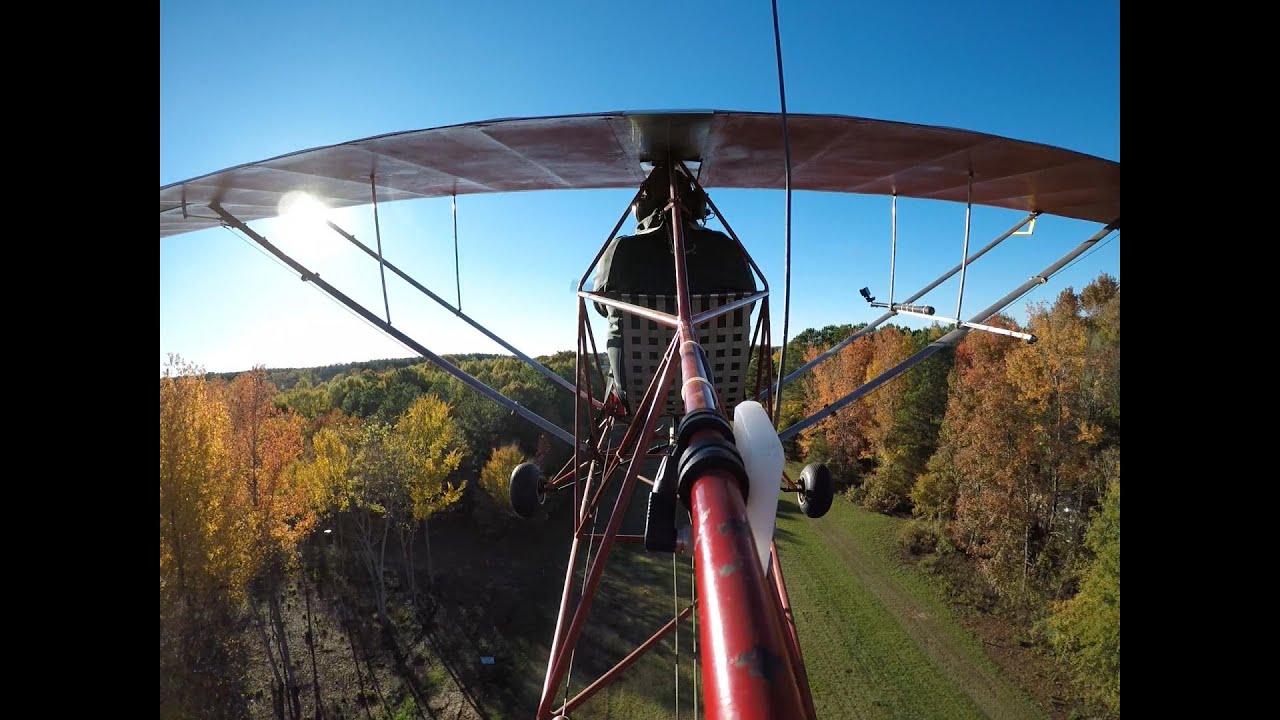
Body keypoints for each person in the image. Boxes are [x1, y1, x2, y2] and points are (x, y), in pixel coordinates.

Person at [593, 165, 757, 406]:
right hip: (717, 391)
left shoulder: (621, 250)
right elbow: (748, 306)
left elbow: (602, 307)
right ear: (699, 206)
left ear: (640, 207)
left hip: (640, 396)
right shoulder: (729, 249)